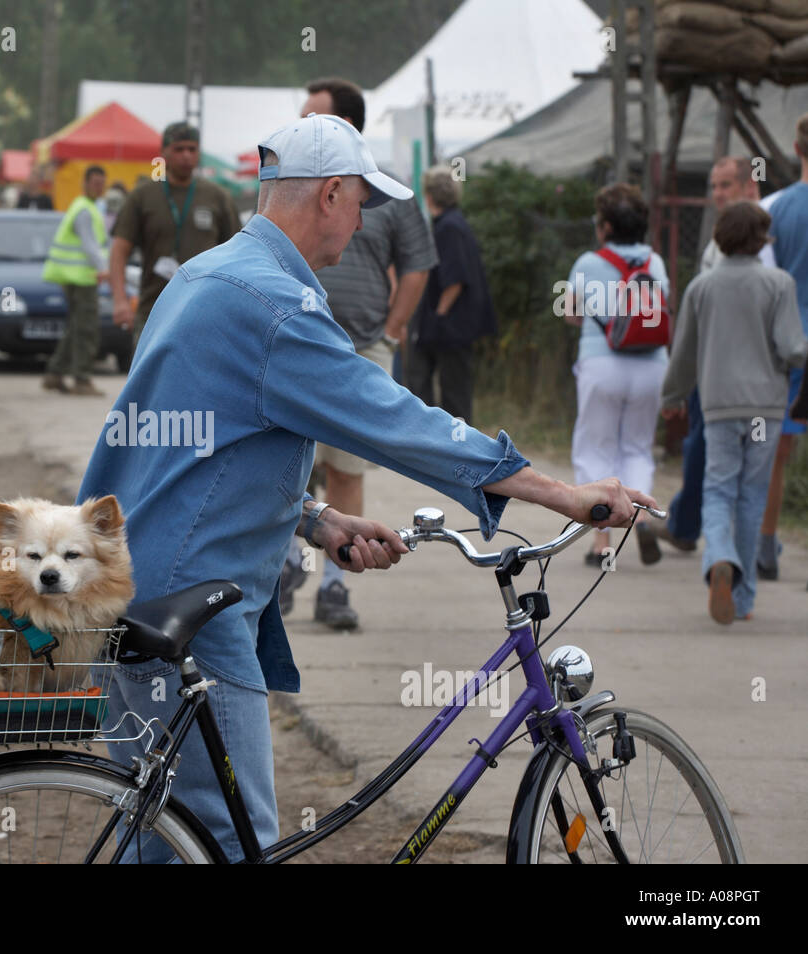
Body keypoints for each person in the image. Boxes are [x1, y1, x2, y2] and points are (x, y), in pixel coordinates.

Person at [77, 113, 655, 862]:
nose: (362, 227)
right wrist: (565, 495)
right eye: (360, 204)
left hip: (126, 587)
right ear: (330, 194)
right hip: (191, 605)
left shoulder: (206, 274)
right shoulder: (277, 306)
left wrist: (316, 519)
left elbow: (196, 450)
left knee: (158, 836)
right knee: (229, 840)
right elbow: (398, 421)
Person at [279, 76, 438, 630]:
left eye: (314, 118)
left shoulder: (388, 193)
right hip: (297, 340)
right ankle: (285, 563)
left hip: (363, 345)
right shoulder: (294, 187)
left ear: (347, 124)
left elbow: (418, 265)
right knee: (288, 461)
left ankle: (335, 584)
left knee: (345, 468)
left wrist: (391, 333)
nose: (302, 128)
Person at [660, 201, 808, 623]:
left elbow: (684, 353)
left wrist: (672, 398)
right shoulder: (779, 283)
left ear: (720, 237)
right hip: (764, 412)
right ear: (762, 239)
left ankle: (719, 559)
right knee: (752, 493)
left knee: (719, 488)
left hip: (720, 409)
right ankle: (742, 600)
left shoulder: (702, 287)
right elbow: (793, 349)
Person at [659, 156, 768, 555]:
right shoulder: (727, 234)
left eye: (725, 185)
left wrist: (678, 386)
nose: (717, 194)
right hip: (755, 379)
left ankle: (704, 536)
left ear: (747, 186)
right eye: (714, 186)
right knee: (732, 459)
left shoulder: (747, 235)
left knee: (709, 454)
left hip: (721, 371)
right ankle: (744, 545)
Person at [562, 183, 668, 568]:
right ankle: (640, 515)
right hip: (653, 366)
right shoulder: (654, 263)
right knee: (637, 447)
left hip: (602, 365)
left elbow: (571, 313)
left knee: (595, 447)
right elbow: (660, 309)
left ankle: (601, 543)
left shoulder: (588, 262)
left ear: (605, 226)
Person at [108, 121, 240, 343]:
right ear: (164, 153)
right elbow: (119, 250)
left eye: (192, 149)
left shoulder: (217, 197)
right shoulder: (143, 196)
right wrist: (120, 301)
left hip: (206, 309)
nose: (186, 155)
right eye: (179, 149)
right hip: (154, 309)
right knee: (150, 377)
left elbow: (237, 254)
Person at [757, 112, 808, 580]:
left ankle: (767, 544)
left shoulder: (772, 207)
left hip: (788, 343)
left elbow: (765, 283)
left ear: (796, 150)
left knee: (776, 453)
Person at [405, 164, 497, 422]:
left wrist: (438, 315)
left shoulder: (449, 227)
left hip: (450, 326)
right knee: (431, 383)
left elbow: (455, 279)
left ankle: (455, 449)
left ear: (429, 195)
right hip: (453, 325)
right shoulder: (453, 223)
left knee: (453, 394)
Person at [39, 165, 109, 396]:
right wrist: (104, 269)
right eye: (95, 182)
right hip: (81, 278)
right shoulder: (85, 210)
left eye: (102, 183)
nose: (99, 187)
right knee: (86, 329)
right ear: (85, 183)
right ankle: (82, 379)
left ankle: (55, 373)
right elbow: (90, 246)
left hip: (76, 277)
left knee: (75, 327)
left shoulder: (85, 207)